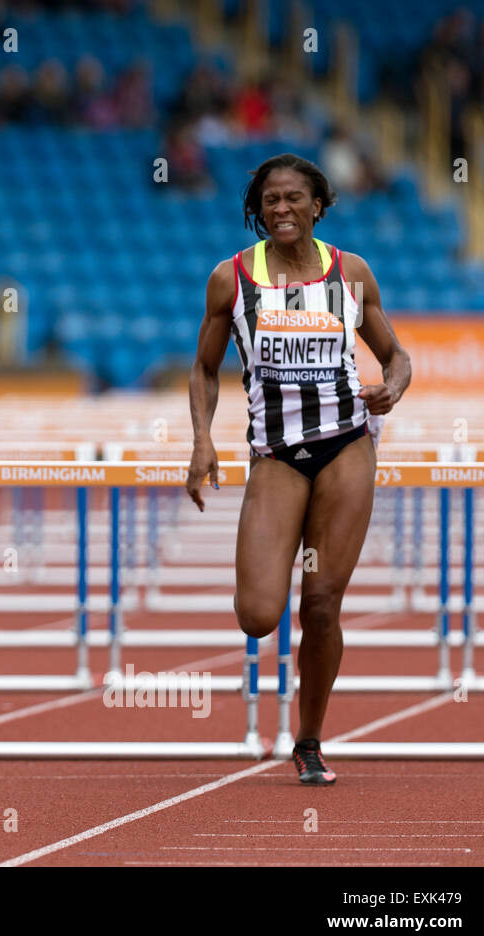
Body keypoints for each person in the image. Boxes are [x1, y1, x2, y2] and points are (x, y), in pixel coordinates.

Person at [185, 153, 411, 785]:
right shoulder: (231, 280)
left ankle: (308, 739)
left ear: (319, 205)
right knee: (258, 613)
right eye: (270, 200)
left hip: (345, 446)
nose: (281, 209)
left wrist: (392, 386)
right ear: (257, 210)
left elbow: (396, 356)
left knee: (319, 605)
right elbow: (204, 368)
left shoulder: (351, 273)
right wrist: (202, 441)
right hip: (276, 454)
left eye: (294, 199)